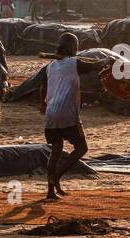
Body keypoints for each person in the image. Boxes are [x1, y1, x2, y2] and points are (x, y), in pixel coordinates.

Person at [38, 32, 92, 201]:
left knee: (55, 151)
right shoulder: (74, 63)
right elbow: (95, 65)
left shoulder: (51, 66)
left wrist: (43, 103)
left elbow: (43, 87)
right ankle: (57, 177)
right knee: (82, 148)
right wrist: (107, 62)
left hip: (51, 113)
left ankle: (50, 191)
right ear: (74, 48)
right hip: (67, 114)